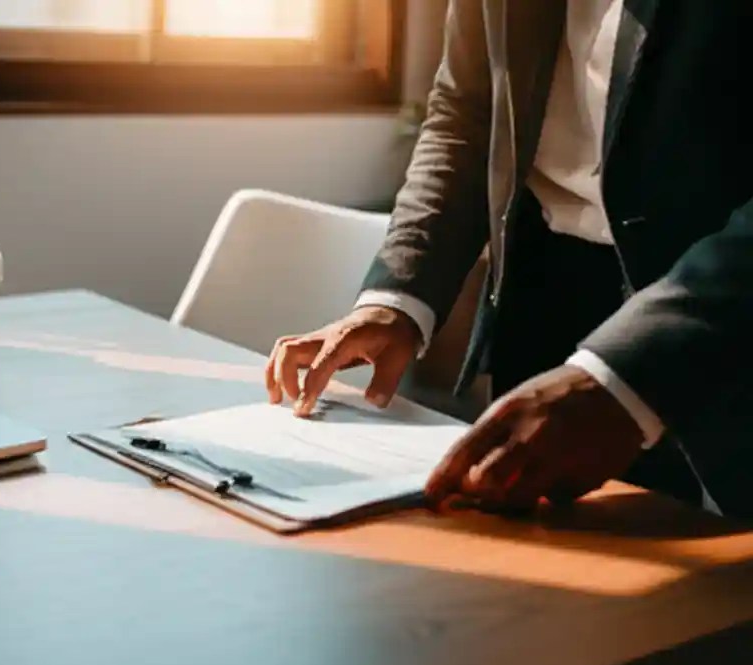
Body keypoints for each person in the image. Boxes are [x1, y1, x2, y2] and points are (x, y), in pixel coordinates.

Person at [266, 0, 752, 518]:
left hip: (715, 312)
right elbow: (467, 111)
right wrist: (399, 296)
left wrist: (626, 375)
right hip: (542, 292)